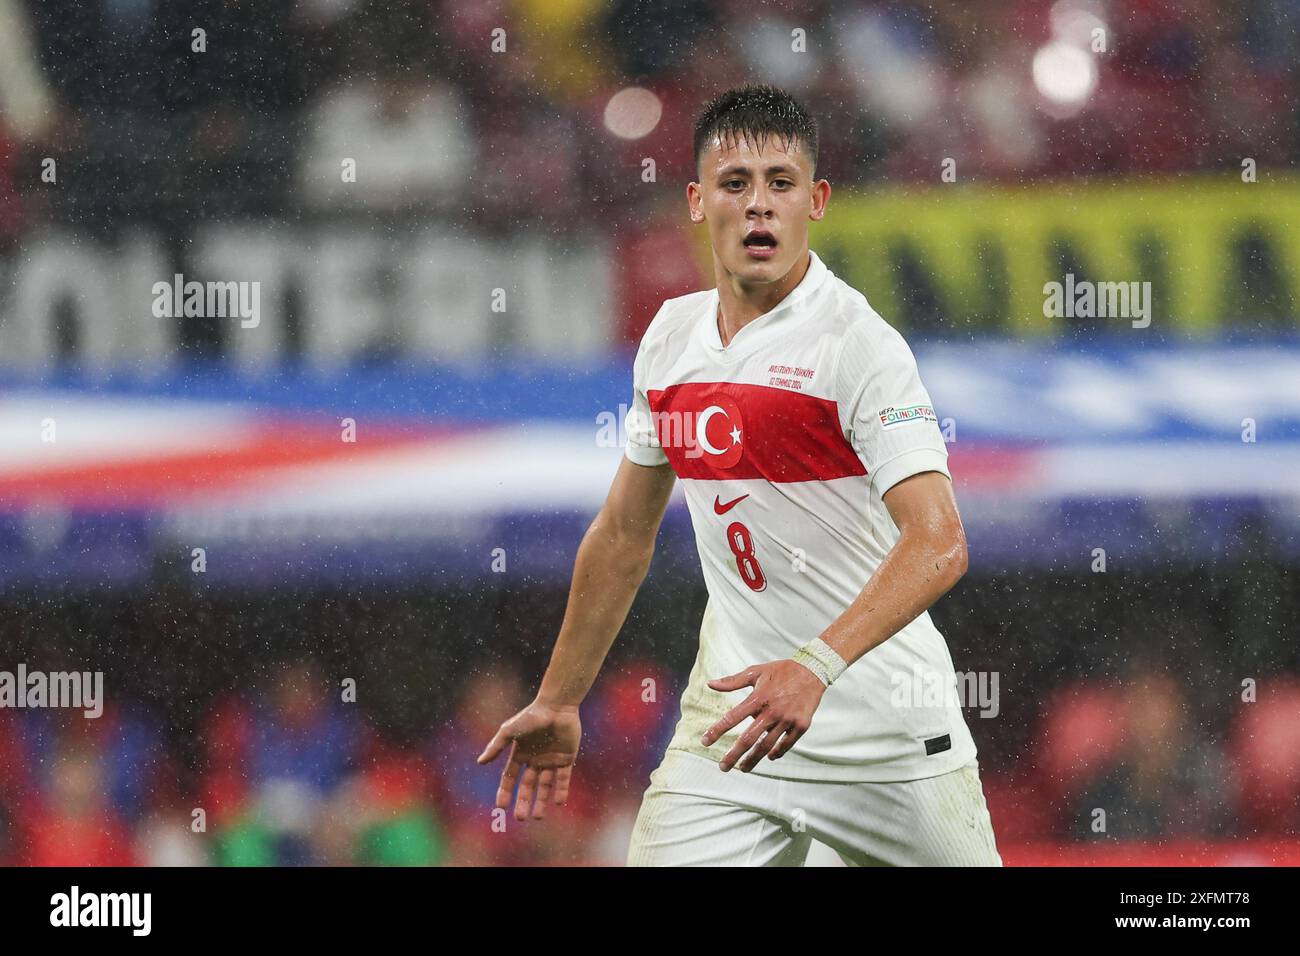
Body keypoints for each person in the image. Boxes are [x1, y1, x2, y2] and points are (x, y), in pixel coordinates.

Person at [479, 84, 1000, 866]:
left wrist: (814, 666)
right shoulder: (668, 339)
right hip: (731, 737)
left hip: (885, 737)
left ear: (815, 201)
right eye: (735, 184)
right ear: (697, 201)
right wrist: (559, 697)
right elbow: (624, 533)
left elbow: (940, 541)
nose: (759, 207)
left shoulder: (859, 346)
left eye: (781, 184)